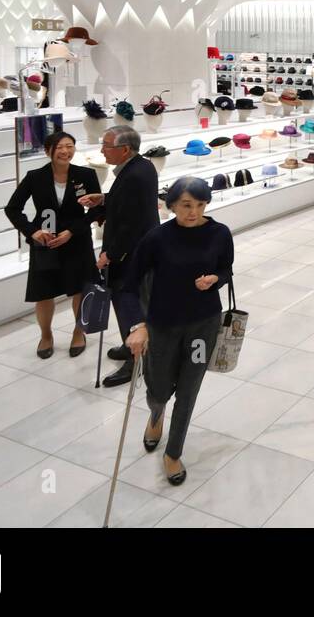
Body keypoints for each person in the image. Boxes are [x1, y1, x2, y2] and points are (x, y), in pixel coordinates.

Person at [115, 176, 234, 487]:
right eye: (185, 205)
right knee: (158, 386)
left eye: (199, 205)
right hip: (163, 325)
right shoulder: (156, 239)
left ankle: (173, 452)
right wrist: (137, 325)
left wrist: (215, 280)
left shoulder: (220, 233)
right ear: (171, 206)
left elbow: (226, 269)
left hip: (203, 324)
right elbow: (127, 287)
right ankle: (156, 415)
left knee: (189, 387)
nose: (193, 212)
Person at [3, 131, 100, 359]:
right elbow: (12, 208)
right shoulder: (35, 177)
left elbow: (97, 209)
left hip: (76, 239)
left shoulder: (85, 174)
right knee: (43, 292)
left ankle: (79, 331)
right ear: (48, 152)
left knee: (80, 289)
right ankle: (46, 335)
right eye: (60, 148)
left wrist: (71, 231)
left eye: (70, 146)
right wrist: (33, 231)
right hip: (45, 241)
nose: (66, 151)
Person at [77, 124, 159, 388]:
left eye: (107, 146)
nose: (102, 151)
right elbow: (127, 202)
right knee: (125, 304)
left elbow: (130, 223)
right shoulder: (139, 167)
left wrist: (110, 254)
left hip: (130, 256)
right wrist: (103, 199)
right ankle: (130, 344)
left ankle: (137, 359)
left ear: (124, 150)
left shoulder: (135, 175)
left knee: (129, 305)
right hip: (135, 251)